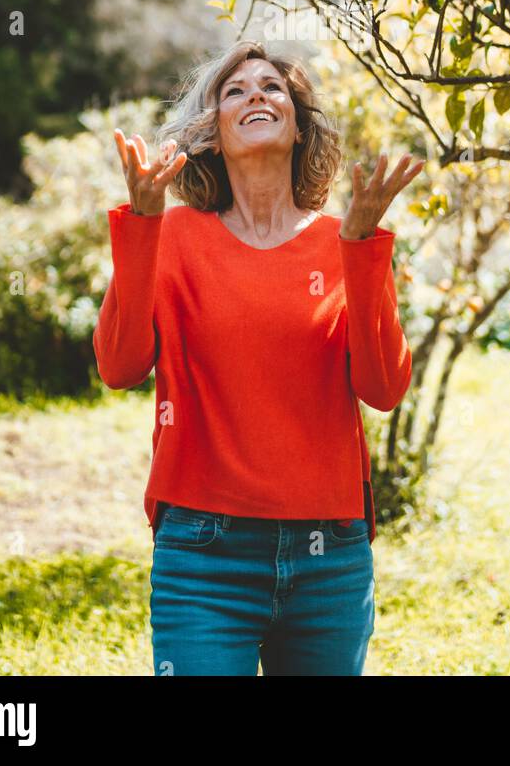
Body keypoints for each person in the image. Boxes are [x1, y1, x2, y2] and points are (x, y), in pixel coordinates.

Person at [93, 40, 423, 676]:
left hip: (330, 557)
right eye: (235, 90)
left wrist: (361, 248)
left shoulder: (341, 239)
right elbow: (119, 366)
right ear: (213, 131)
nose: (256, 97)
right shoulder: (175, 235)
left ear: (299, 124)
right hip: (203, 557)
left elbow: (383, 388)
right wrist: (141, 222)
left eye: (273, 88)